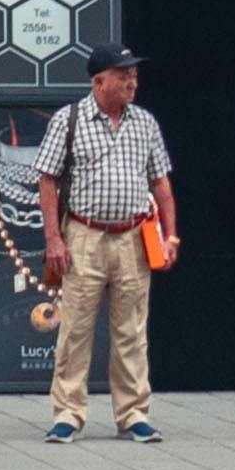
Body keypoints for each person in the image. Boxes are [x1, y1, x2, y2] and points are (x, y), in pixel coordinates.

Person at [32, 42, 179, 444]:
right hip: (84, 236)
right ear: (99, 81)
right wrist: (53, 239)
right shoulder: (70, 119)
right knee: (75, 329)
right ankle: (68, 413)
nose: (133, 81)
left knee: (131, 330)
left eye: (134, 73)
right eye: (123, 74)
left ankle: (133, 414)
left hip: (133, 236)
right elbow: (46, 180)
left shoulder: (144, 123)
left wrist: (171, 235)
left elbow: (161, 181)